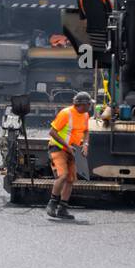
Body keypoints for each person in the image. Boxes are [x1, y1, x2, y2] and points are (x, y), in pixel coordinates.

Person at [45, 91, 92, 220]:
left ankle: (62, 209)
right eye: (89, 104)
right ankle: (52, 203)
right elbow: (52, 132)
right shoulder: (66, 113)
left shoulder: (86, 115)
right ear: (81, 104)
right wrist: (67, 146)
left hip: (73, 150)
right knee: (63, 175)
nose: (90, 106)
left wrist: (85, 145)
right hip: (58, 148)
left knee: (71, 179)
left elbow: (86, 131)